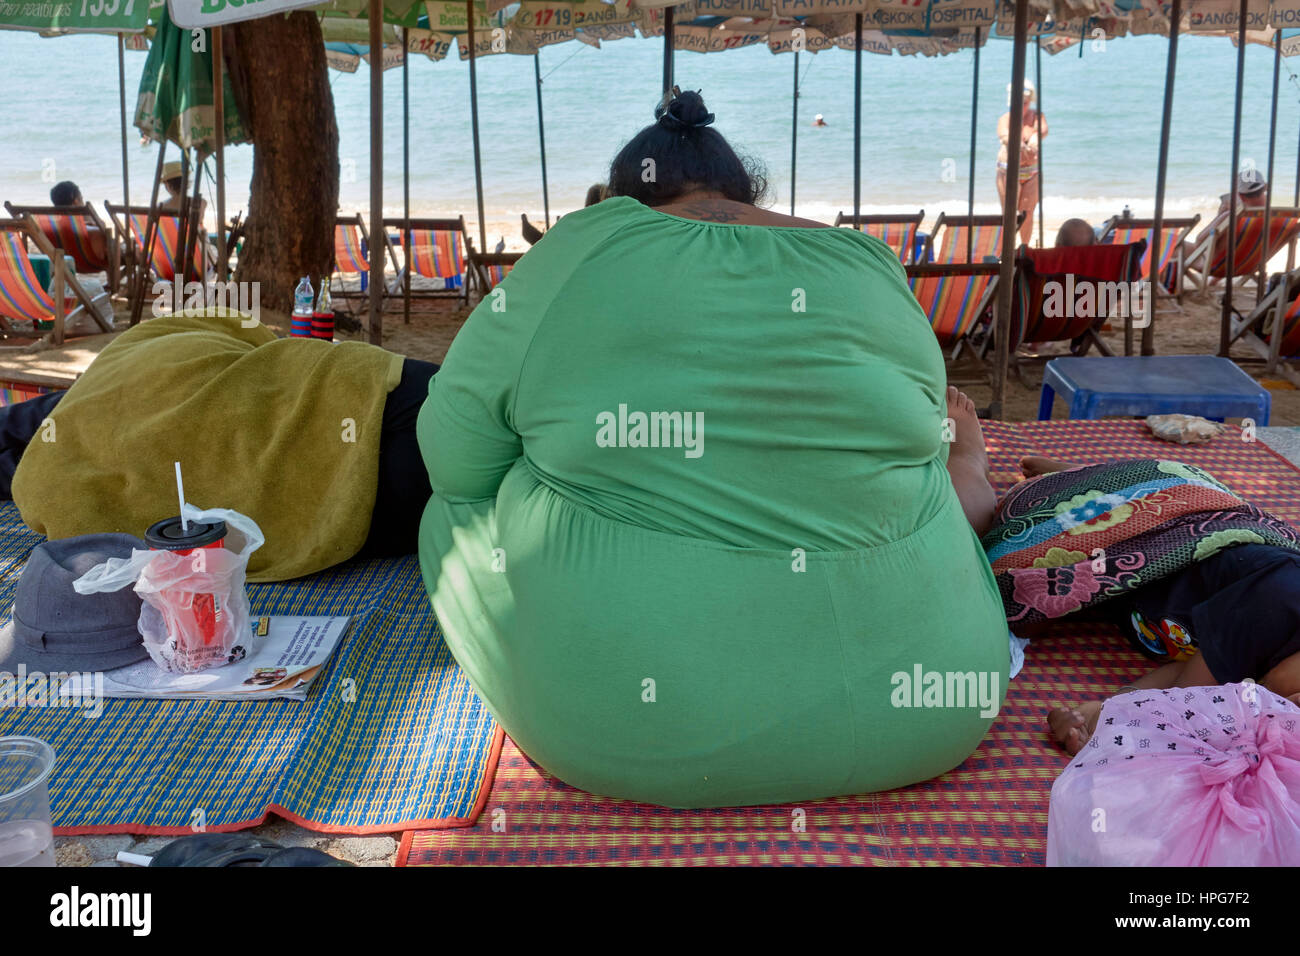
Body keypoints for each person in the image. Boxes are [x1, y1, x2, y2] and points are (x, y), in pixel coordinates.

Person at [417, 89, 1008, 809]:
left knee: (458, 509)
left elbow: (454, 457)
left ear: (616, 197)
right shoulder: (871, 265)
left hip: (638, 734)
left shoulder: (582, 247)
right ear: (750, 191)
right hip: (934, 714)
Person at [3, 311, 438, 579]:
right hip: (221, 388)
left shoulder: (442, 414)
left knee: (100, 411)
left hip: (191, 387)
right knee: (102, 415)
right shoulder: (448, 419)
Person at [995, 453, 1300, 754]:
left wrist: (1105, 711)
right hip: (1172, 526)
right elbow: (1185, 694)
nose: (1293, 704)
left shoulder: (1274, 681)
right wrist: (1113, 722)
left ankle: (1088, 478)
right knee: (1017, 560)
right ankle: (1088, 478)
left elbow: (1205, 677)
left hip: (1145, 601)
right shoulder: (1279, 601)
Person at [996, 81, 1047, 246]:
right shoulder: (1006, 118)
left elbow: (1043, 131)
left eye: (1024, 104)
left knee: (1028, 212)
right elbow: (1004, 135)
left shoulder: (1037, 116)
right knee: (1009, 213)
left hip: (1031, 171)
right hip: (1008, 170)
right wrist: (1017, 143)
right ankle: (1008, 247)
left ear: (1029, 101)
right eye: (1017, 104)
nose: (1021, 108)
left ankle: (1024, 247)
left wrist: (1034, 138)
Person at [48, 180, 109, 264]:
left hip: (63, 260)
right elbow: (103, 228)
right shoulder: (87, 230)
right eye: (82, 198)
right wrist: (87, 213)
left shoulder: (52, 227)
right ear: (76, 201)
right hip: (91, 261)